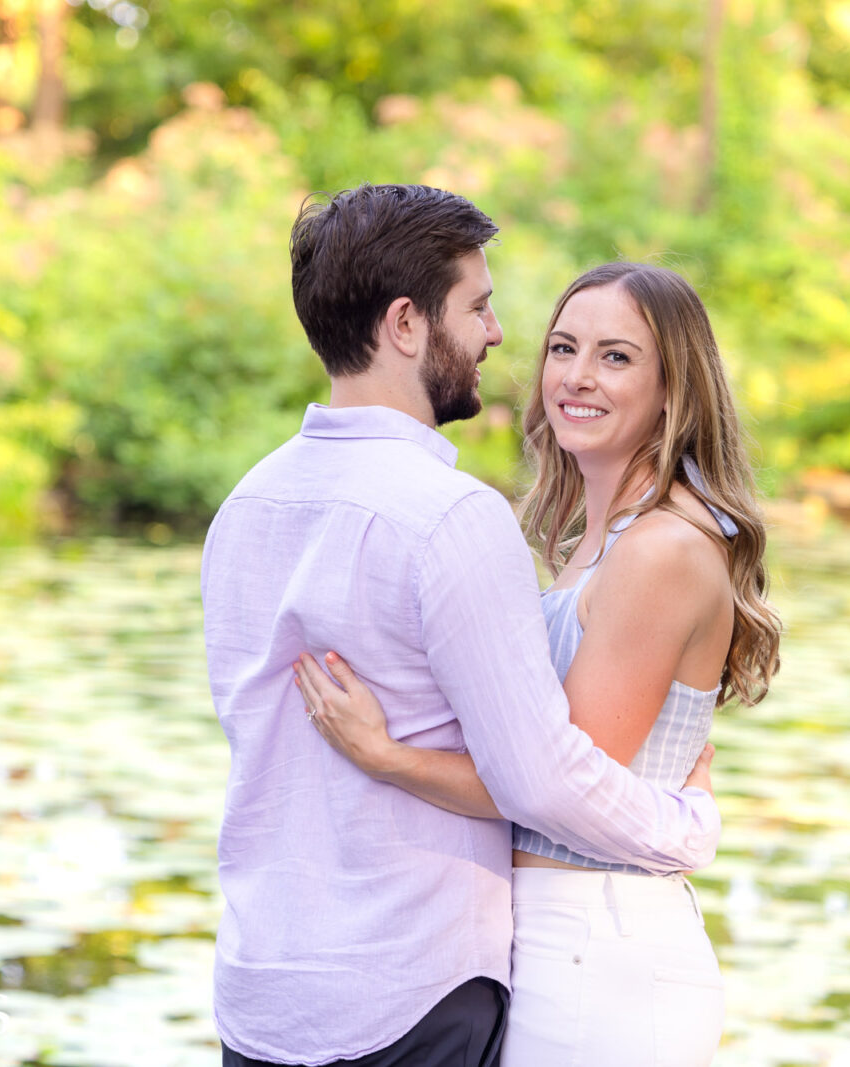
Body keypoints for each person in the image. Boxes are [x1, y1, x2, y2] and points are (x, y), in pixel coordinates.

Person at [200, 187, 725, 1067]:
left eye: (613, 355)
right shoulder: (454, 518)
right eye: (479, 307)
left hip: (263, 992)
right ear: (407, 324)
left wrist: (391, 754)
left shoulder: (242, 509)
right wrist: (685, 826)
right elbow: (543, 778)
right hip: (414, 991)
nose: (498, 335)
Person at [294, 261, 782, 1065]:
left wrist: (387, 756)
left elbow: (553, 780)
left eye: (616, 356)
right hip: (556, 933)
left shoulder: (659, 548)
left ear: (674, 387)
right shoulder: (593, 546)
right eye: (563, 348)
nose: (577, 376)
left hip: (602, 940)